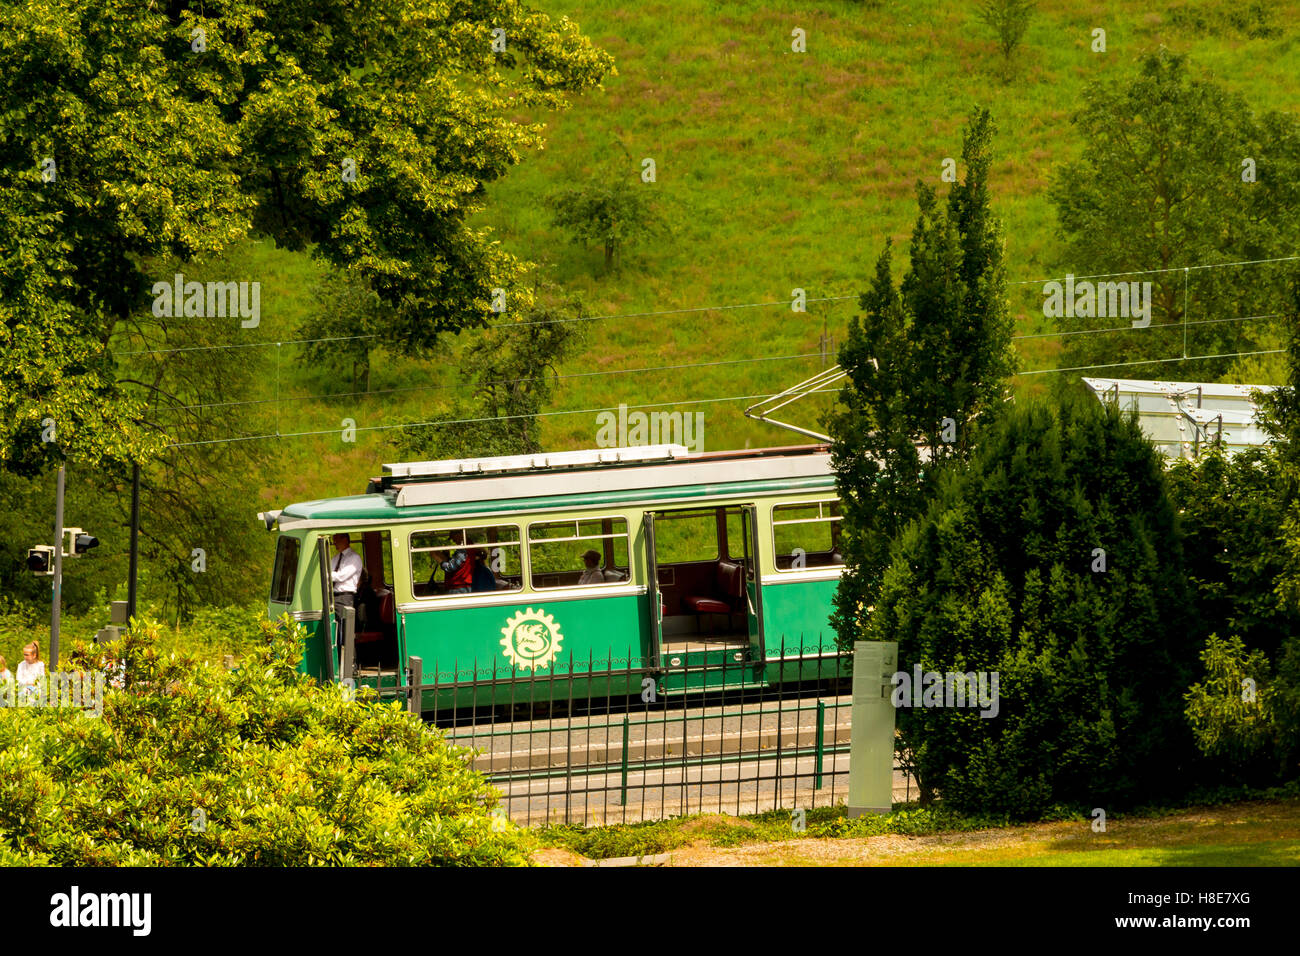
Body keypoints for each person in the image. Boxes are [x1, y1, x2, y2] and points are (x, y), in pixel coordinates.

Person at [329, 532, 363, 611]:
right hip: (333, 596)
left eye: (336, 540)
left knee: (342, 622)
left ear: (345, 540)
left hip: (345, 597)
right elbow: (329, 570)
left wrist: (325, 575)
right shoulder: (335, 558)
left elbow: (341, 576)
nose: (334, 543)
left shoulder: (354, 557)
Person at [436, 529, 476, 595]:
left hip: (458, 587)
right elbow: (459, 564)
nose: (453, 540)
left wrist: (438, 558)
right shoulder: (468, 545)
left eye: (453, 537)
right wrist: (447, 557)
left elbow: (451, 567)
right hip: (462, 586)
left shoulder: (464, 549)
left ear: (460, 534)